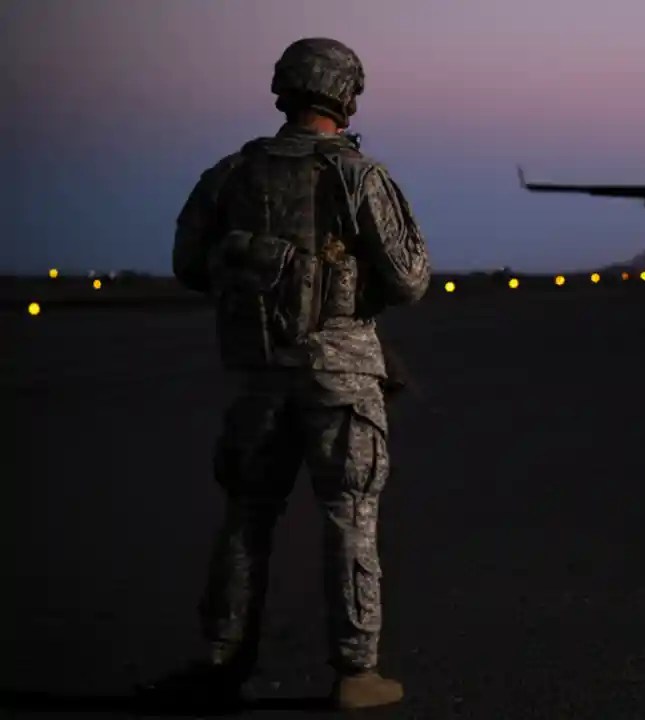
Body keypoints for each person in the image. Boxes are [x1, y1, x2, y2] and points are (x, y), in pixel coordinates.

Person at [139, 37, 429, 711]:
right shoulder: (359, 176)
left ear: (285, 89)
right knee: (349, 517)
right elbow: (411, 280)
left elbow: (188, 261)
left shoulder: (232, 174)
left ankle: (219, 661)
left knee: (246, 519)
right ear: (346, 94)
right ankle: (357, 672)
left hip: (260, 377)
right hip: (341, 378)